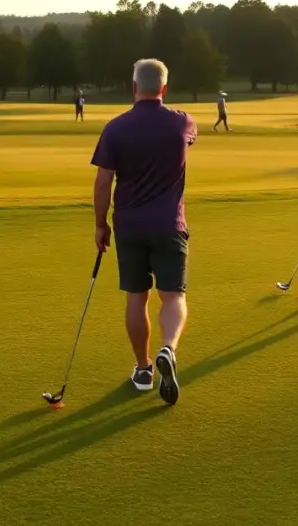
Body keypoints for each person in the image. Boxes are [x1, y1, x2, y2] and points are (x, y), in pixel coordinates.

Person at [90, 58, 197, 406]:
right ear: (164, 88)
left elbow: (103, 181)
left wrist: (100, 224)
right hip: (169, 224)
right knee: (173, 296)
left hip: (130, 226)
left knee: (137, 298)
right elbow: (187, 142)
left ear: (133, 86)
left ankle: (143, 368)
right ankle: (168, 348)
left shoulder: (116, 128)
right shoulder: (182, 122)